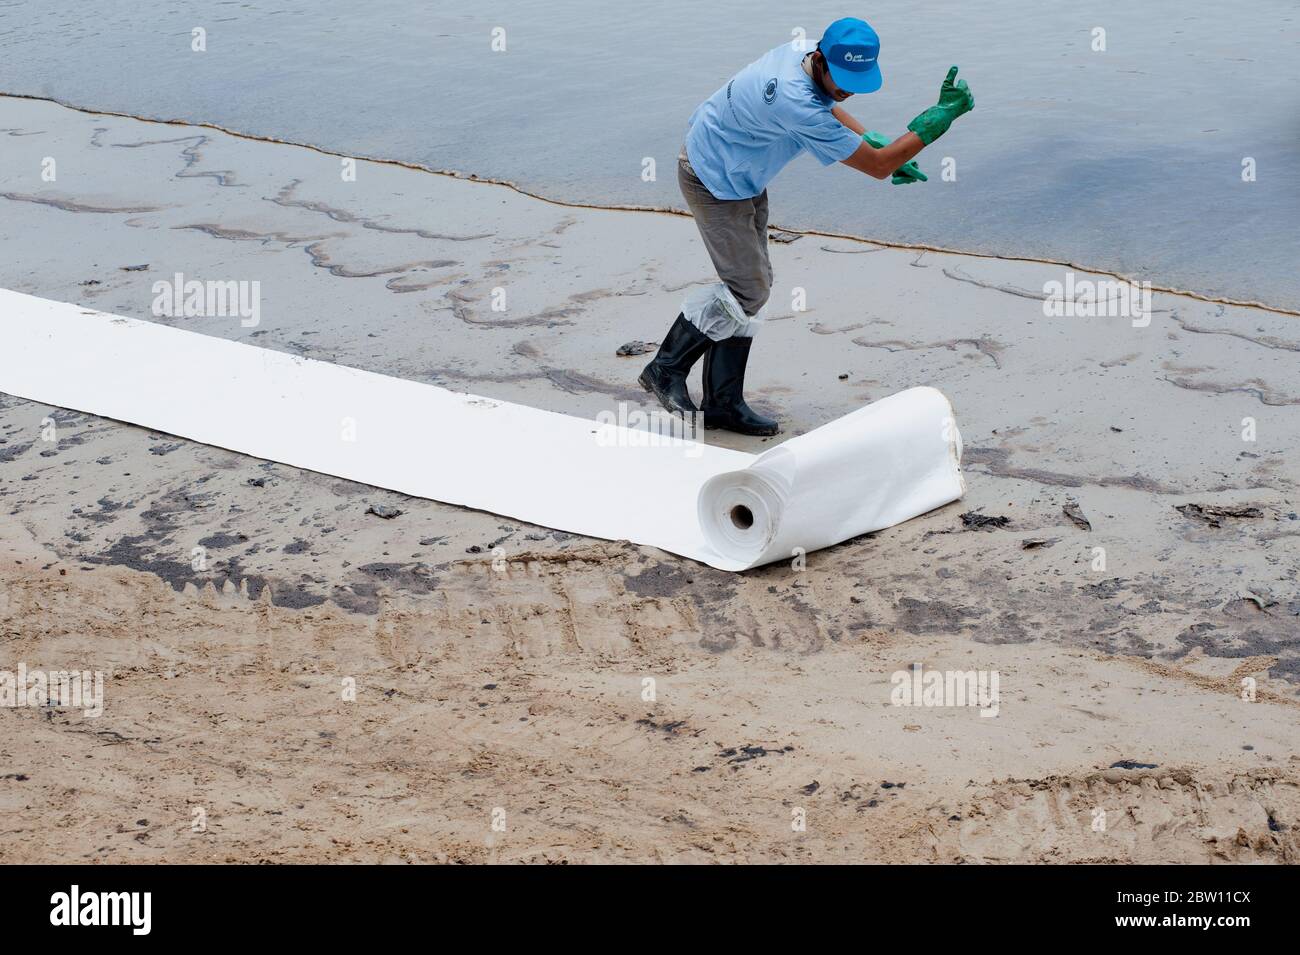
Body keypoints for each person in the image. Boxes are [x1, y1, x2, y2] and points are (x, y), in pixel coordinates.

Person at [640, 16, 974, 435]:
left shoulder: (808, 53)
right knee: (750, 288)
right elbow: (877, 167)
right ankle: (664, 368)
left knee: (751, 287)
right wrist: (938, 120)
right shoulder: (793, 100)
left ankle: (722, 402)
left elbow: (832, 108)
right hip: (712, 176)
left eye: (858, 78)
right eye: (844, 79)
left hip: (742, 171)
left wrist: (873, 138)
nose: (849, 88)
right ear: (821, 60)